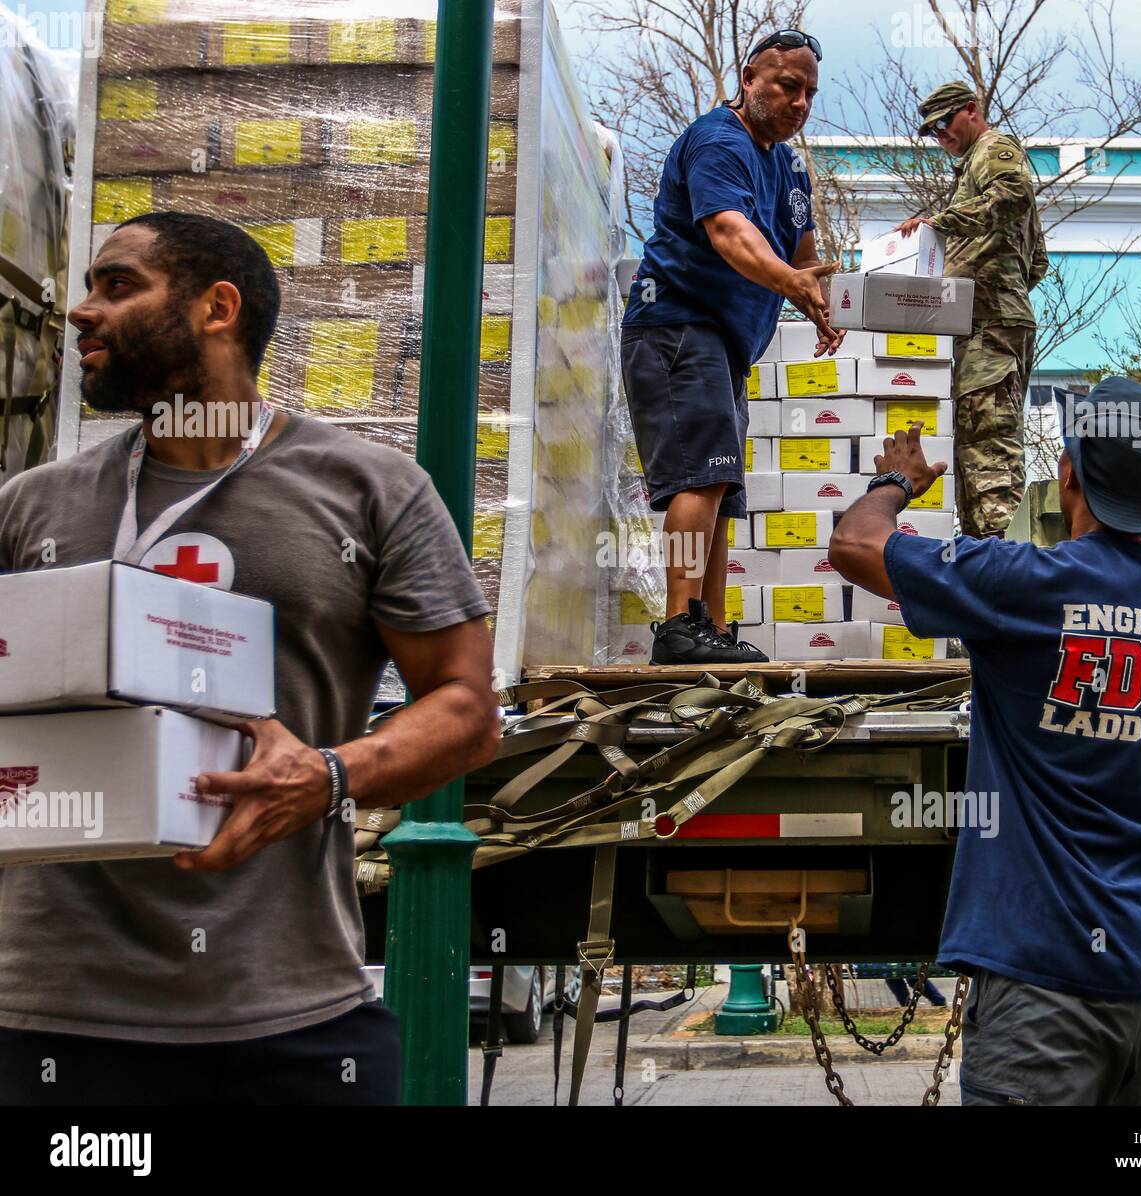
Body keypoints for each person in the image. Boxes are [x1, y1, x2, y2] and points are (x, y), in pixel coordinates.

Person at [0, 212, 501, 1105]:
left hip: (292, 1019)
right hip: (48, 1021)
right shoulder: (33, 505)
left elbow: (466, 708)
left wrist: (331, 775)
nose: (81, 312)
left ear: (216, 307)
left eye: (117, 286)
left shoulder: (367, 488)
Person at [828, 378, 1141, 1106]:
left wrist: (897, 480)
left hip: (1051, 986)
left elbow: (857, 543)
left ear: (1070, 474)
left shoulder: (1029, 584)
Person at [621, 28, 843, 663]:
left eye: (809, 93)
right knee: (697, 478)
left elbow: (801, 253)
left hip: (721, 343)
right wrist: (790, 282)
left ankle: (710, 627)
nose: (800, 102)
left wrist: (823, 301)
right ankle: (677, 627)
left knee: (719, 486)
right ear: (750, 79)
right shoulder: (718, 141)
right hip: (676, 326)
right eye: (787, 86)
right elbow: (729, 232)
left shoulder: (788, 163)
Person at [894, 82, 1047, 539]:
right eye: (931, 131)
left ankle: (1001, 559)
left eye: (944, 123)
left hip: (992, 327)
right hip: (985, 323)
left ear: (971, 111)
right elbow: (1036, 259)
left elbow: (1012, 197)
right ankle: (984, 552)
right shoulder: (971, 168)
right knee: (975, 445)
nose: (940, 135)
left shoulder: (994, 149)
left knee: (989, 448)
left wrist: (939, 223)